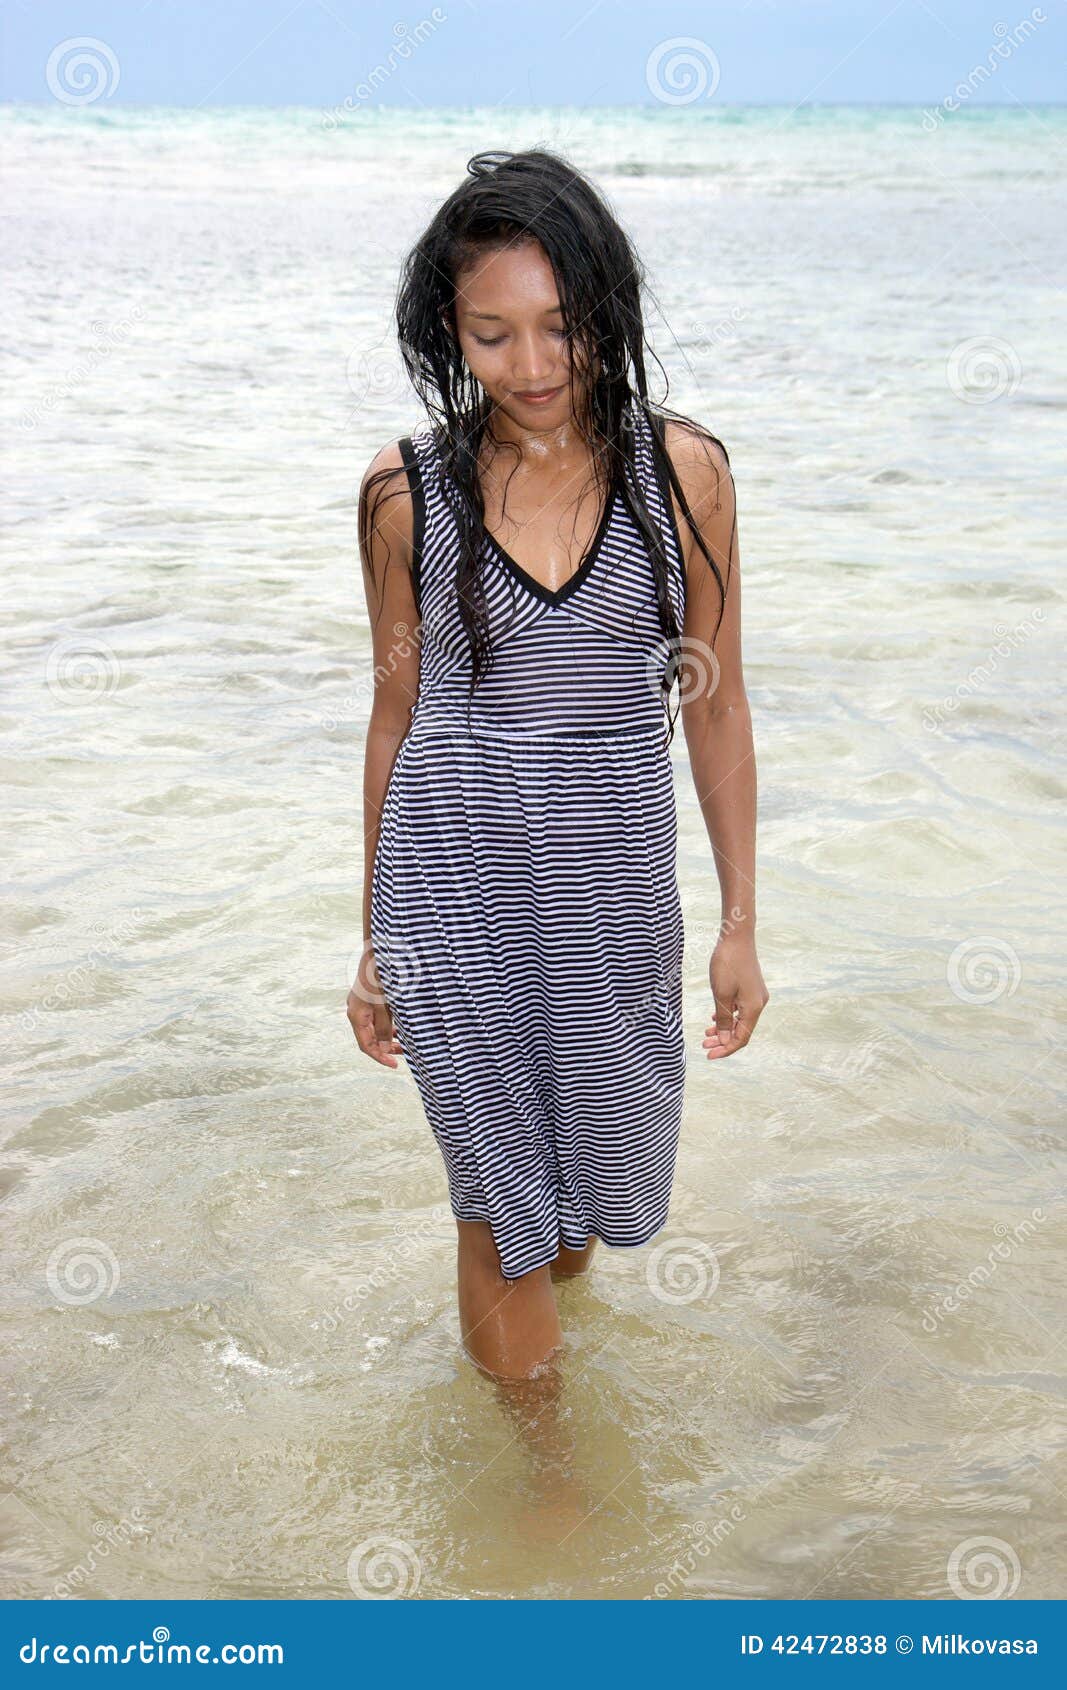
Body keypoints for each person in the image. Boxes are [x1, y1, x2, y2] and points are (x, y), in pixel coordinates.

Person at [348, 148, 767, 1386]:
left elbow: (715, 702)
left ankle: (543, 1361)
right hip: (452, 897)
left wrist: (739, 924)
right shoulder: (404, 495)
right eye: (492, 335)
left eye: (560, 327)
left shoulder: (681, 476)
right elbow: (393, 716)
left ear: (606, 310)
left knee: (583, 1203)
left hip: (607, 903)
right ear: (448, 332)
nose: (531, 366)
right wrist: (372, 938)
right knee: (497, 1211)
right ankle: (546, 1472)